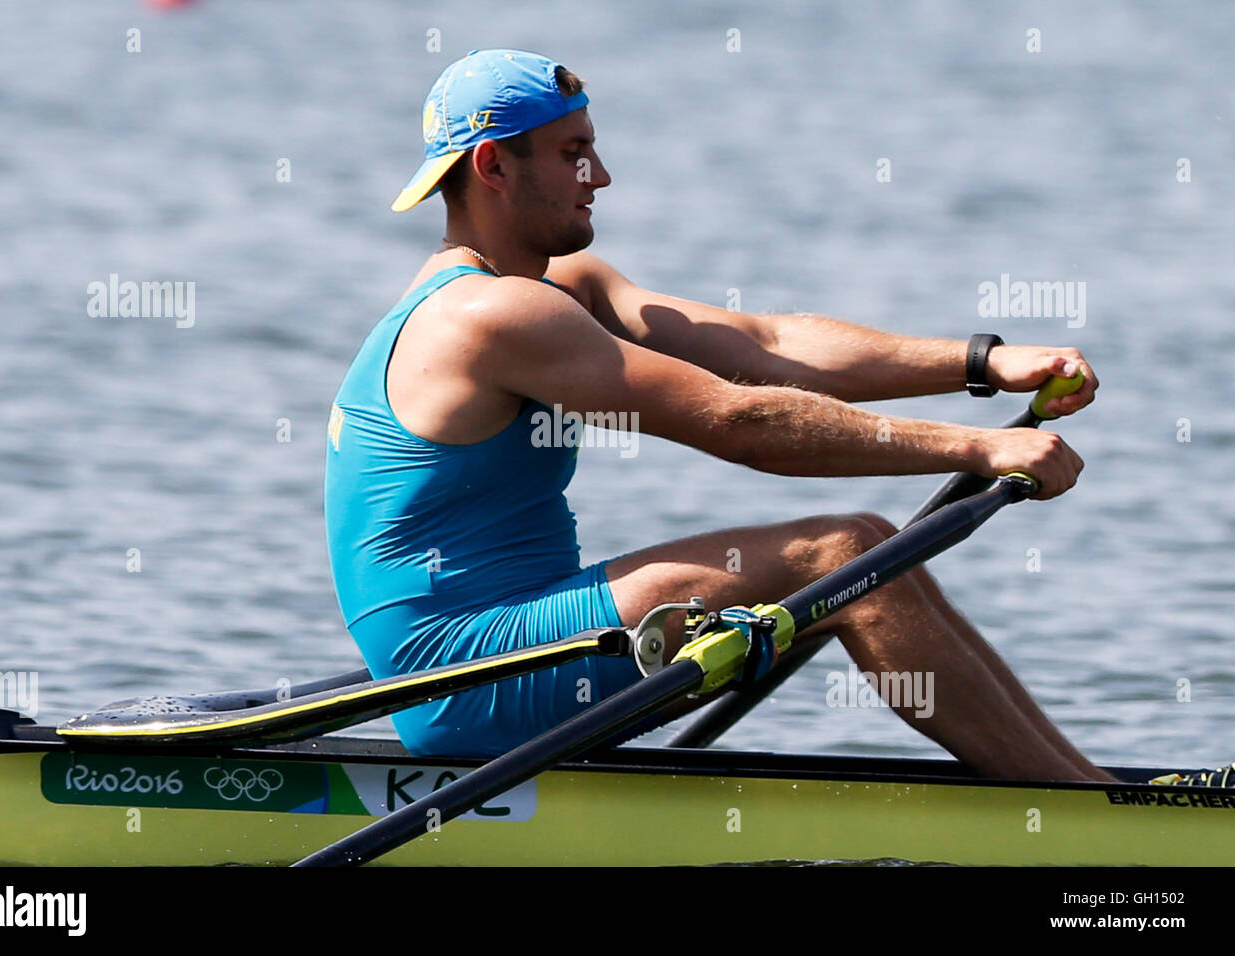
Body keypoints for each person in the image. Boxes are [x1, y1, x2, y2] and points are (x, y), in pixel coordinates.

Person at [325, 48, 1111, 782]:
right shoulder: (489, 316)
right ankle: (1092, 819)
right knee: (843, 554)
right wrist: (976, 448)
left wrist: (983, 363)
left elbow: (763, 346)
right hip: (465, 678)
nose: (600, 175)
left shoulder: (565, 289)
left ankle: (1081, 791)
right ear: (493, 165)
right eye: (572, 154)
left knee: (869, 551)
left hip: (517, 644)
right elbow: (738, 421)